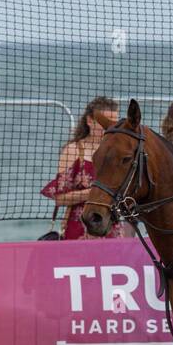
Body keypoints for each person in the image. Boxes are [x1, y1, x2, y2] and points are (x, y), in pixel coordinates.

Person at [41, 96, 131, 240]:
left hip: (112, 228)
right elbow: (59, 198)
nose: (110, 126)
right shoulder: (74, 150)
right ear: (90, 121)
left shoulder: (119, 151)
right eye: (104, 121)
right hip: (81, 229)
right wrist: (95, 193)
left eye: (114, 121)